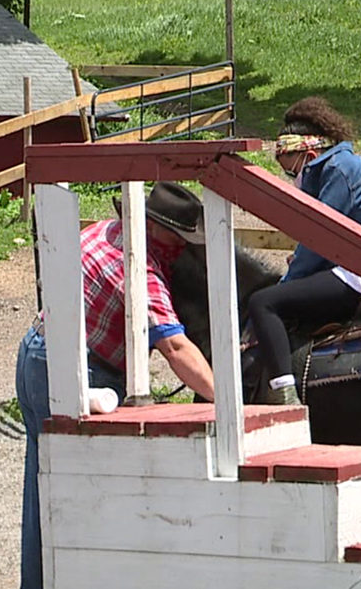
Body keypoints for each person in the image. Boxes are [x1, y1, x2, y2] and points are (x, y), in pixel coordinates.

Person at [15, 181, 216, 589]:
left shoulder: (103, 231)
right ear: (156, 231)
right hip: (74, 367)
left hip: (40, 349)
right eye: (177, 239)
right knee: (72, 487)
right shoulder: (138, 270)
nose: (180, 249)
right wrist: (231, 402)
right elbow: (176, 348)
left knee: (45, 482)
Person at [247, 97, 361, 405]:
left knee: (263, 302)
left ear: (309, 154)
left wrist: (290, 280)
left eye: (291, 170)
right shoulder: (344, 165)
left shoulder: (337, 168)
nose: (292, 178)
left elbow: (318, 236)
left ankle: (284, 394)